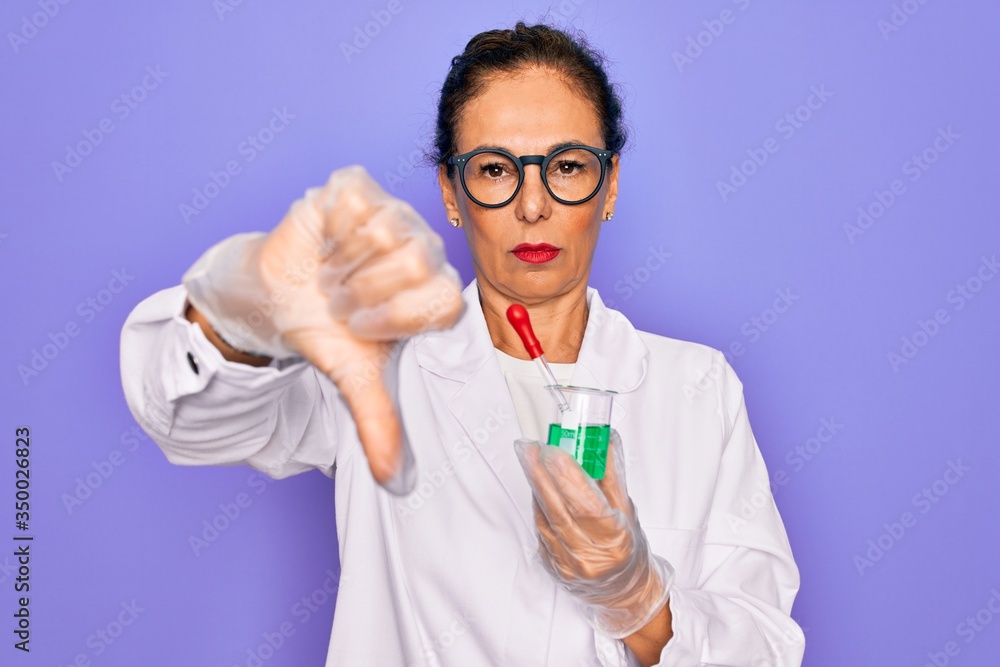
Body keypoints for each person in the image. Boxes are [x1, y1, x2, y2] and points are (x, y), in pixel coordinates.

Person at [119, 21, 805, 667]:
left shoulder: (695, 386)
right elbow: (181, 411)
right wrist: (252, 304)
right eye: (495, 169)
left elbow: (766, 644)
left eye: (566, 166)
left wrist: (637, 596)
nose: (532, 205)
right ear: (451, 190)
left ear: (610, 183)